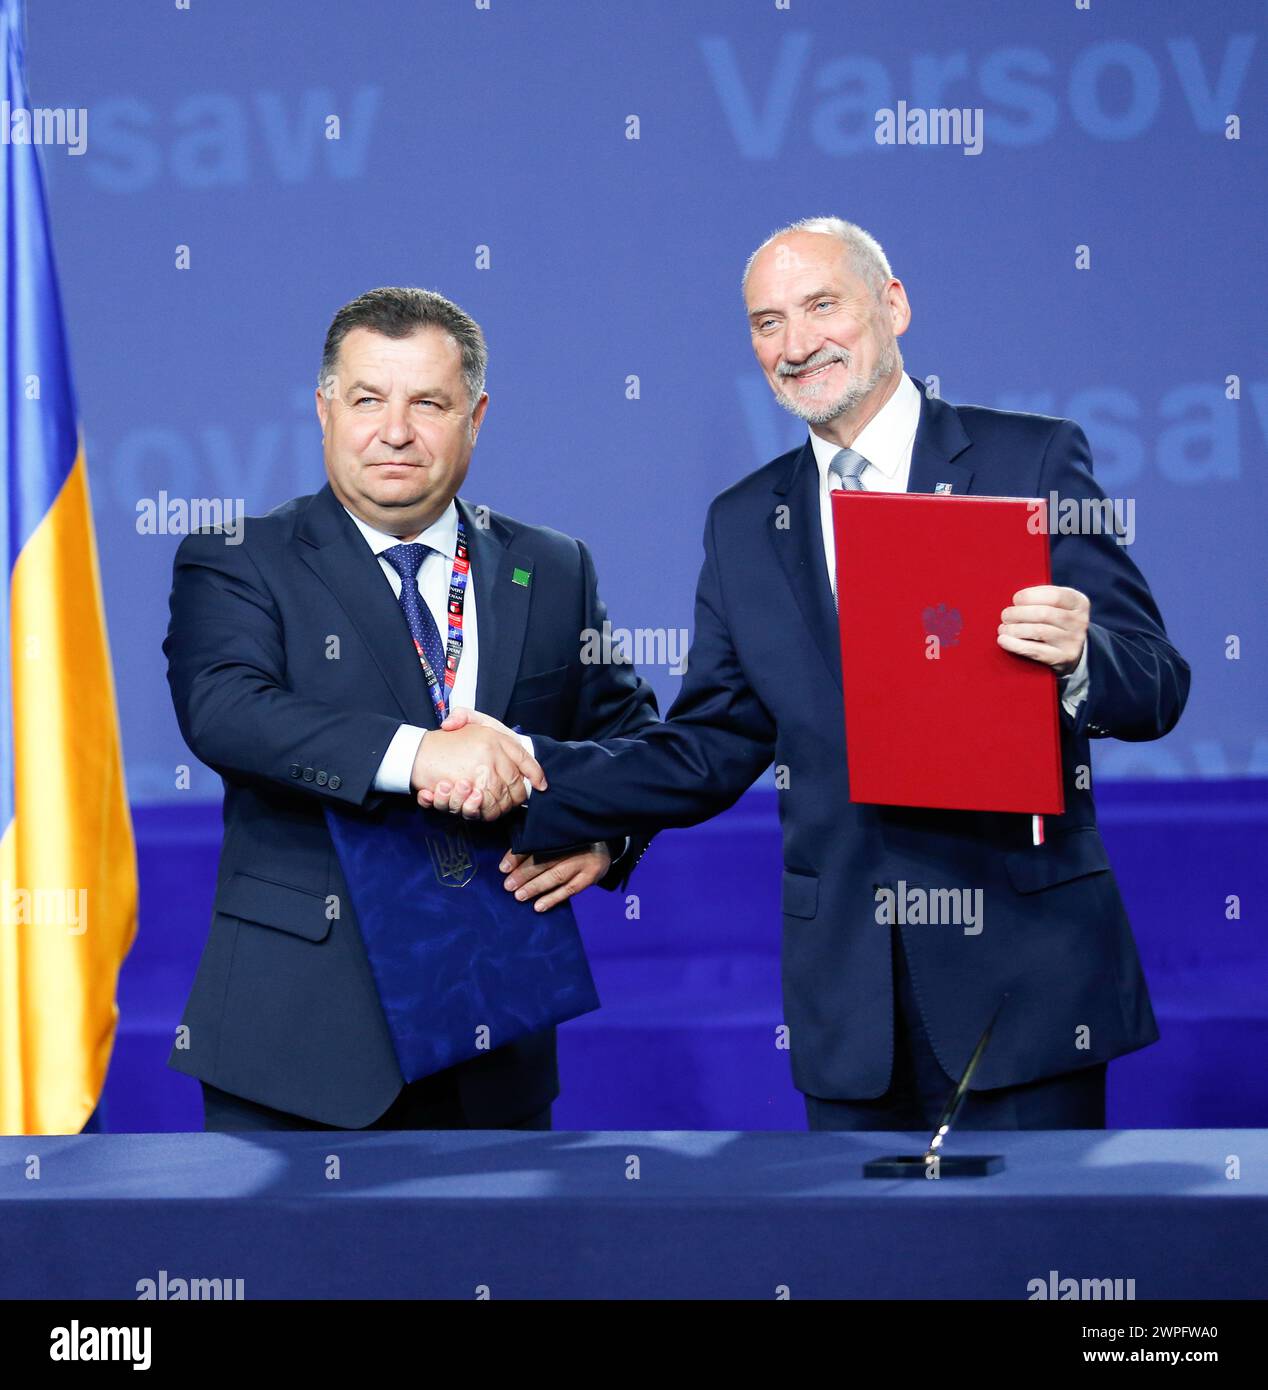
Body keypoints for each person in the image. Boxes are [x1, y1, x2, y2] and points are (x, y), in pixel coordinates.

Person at [431, 218, 1190, 1132]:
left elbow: (1155, 682)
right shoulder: (745, 521)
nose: (796, 345)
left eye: (821, 306)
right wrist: (535, 767)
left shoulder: (1028, 459)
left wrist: (1081, 656)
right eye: (766, 322)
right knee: (865, 1272)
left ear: (893, 305)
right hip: (848, 1002)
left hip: (1025, 978)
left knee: (1028, 1265)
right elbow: (712, 740)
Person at [164, 286, 657, 1131]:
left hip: (495, 1041)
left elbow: (635, 737)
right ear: (324, 410)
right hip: (297, 1048)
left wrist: (609, 837)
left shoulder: (551, 566)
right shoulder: (240, 558)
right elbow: (227, 709)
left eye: (428, 402)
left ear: (476, 416)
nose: (395, 430)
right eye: (367, 399)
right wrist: (420, 754)